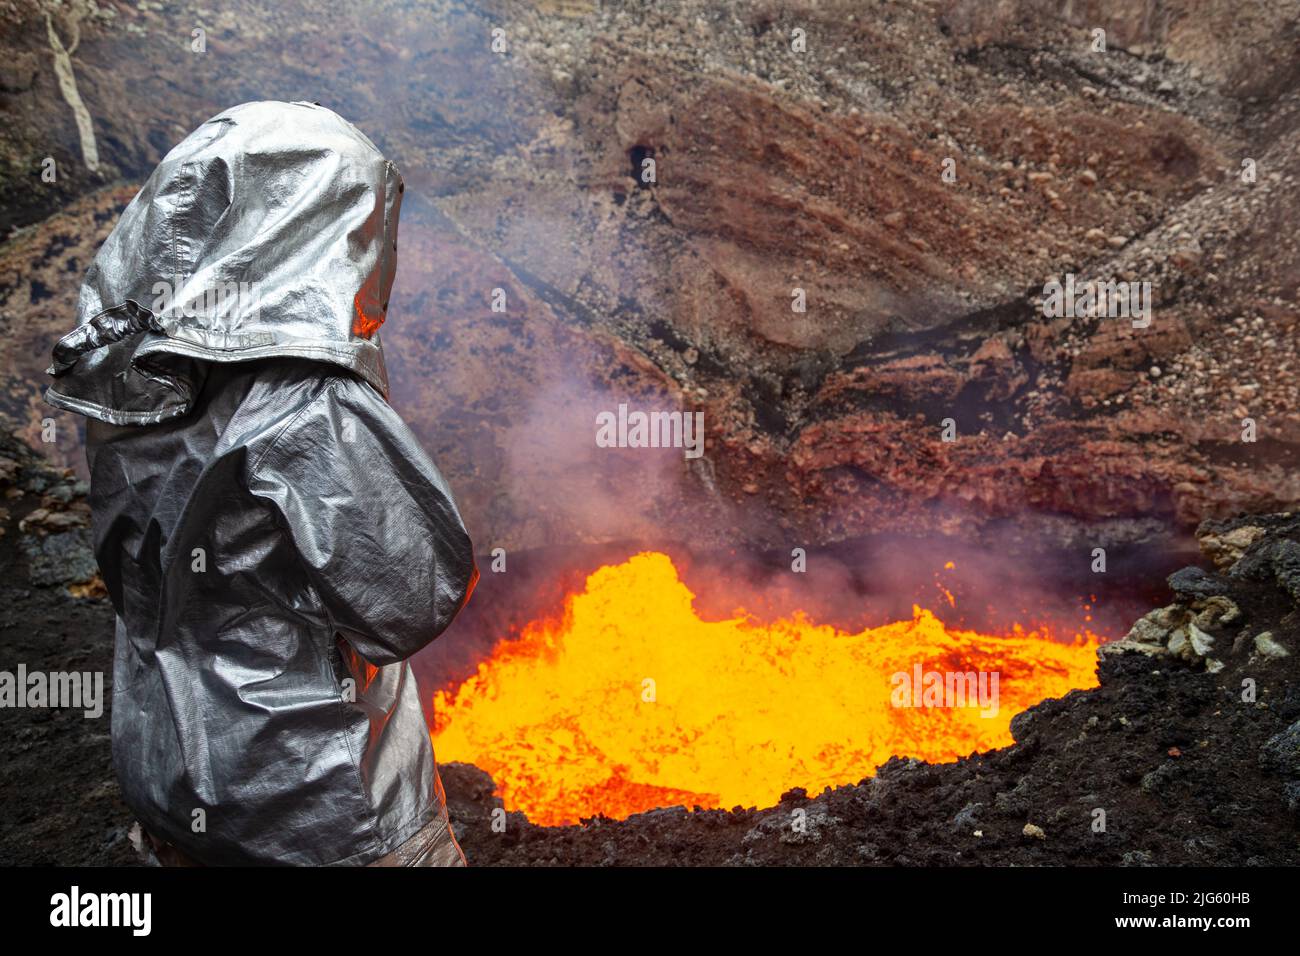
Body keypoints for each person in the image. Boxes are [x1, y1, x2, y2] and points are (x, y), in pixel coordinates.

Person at [43, 101, 478, 866]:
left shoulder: (122, 383)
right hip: (321, 812)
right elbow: (413, 599)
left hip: (170, 782)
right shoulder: (305, 403)